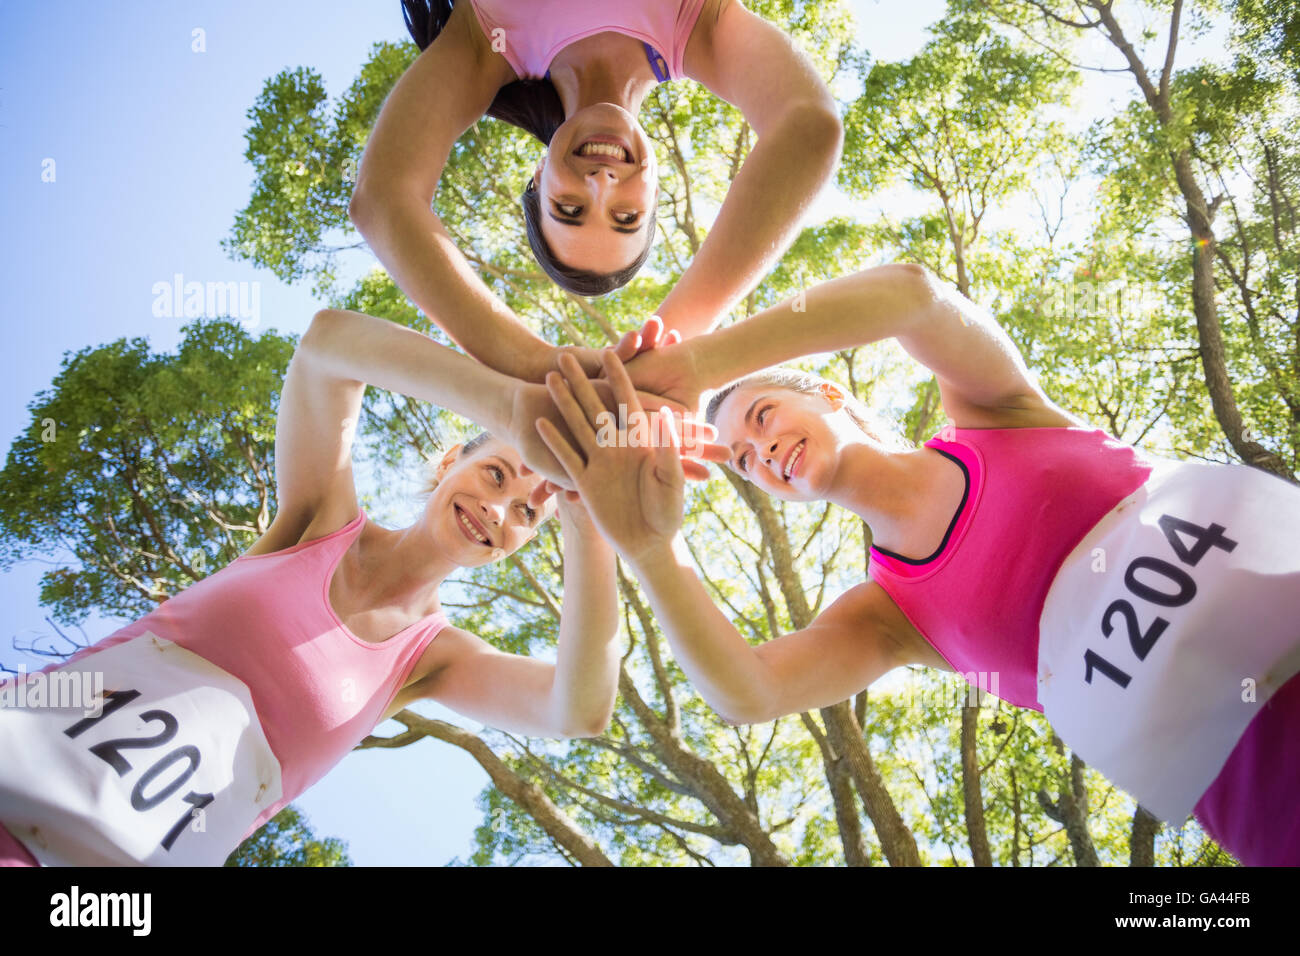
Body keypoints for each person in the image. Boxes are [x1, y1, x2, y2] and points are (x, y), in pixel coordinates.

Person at [535, 263, 1300, 866]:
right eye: (742, 460)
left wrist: (696, 367)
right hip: (1263, 797)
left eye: (763, 417)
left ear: (832, 392)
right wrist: (649, 547)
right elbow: (747, 692)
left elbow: (913, 295)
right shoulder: (891, 616)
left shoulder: (997, 415)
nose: (760, 452)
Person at [0, 306, 717, 867]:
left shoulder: (432, 660)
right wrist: (513, 405)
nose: (501, 511)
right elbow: (326, 346)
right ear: (448, 463)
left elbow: (581, 709)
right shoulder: (320, 521)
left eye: (532, 512)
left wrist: (591, 514)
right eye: (497, 472)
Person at [348, 0, 843, 384]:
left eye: (570, 208)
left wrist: (535, 365)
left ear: (539, 175)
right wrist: (670, 344)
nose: (602, 184)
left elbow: (383, 196)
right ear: (657, 188)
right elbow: (810, 126)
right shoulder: (700, 30)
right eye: (626, 216)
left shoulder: (486, 45)